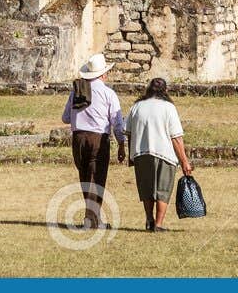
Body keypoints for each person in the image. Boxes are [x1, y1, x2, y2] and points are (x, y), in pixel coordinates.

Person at [61, 53, 126, 228]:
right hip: (98, 138)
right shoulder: (108, 93)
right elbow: (117, 122)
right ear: (103, 74)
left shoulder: (76, 91)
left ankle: (92, 218)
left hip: (79, 138)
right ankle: (91, 219)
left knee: (85, 177)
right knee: (97, 177)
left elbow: (66, 118)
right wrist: (121, 143)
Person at [125, 78, 193, 232]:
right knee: (163, 190)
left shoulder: (137, 106)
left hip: (141, 153)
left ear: (148, 89)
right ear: (165, 90)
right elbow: (176, 137)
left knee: (147, 189)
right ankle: (159, 224)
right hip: (164, 153)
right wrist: (184, 161)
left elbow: (129, 133)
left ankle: (149, 219)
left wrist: (131, 155)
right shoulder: (168, 108)